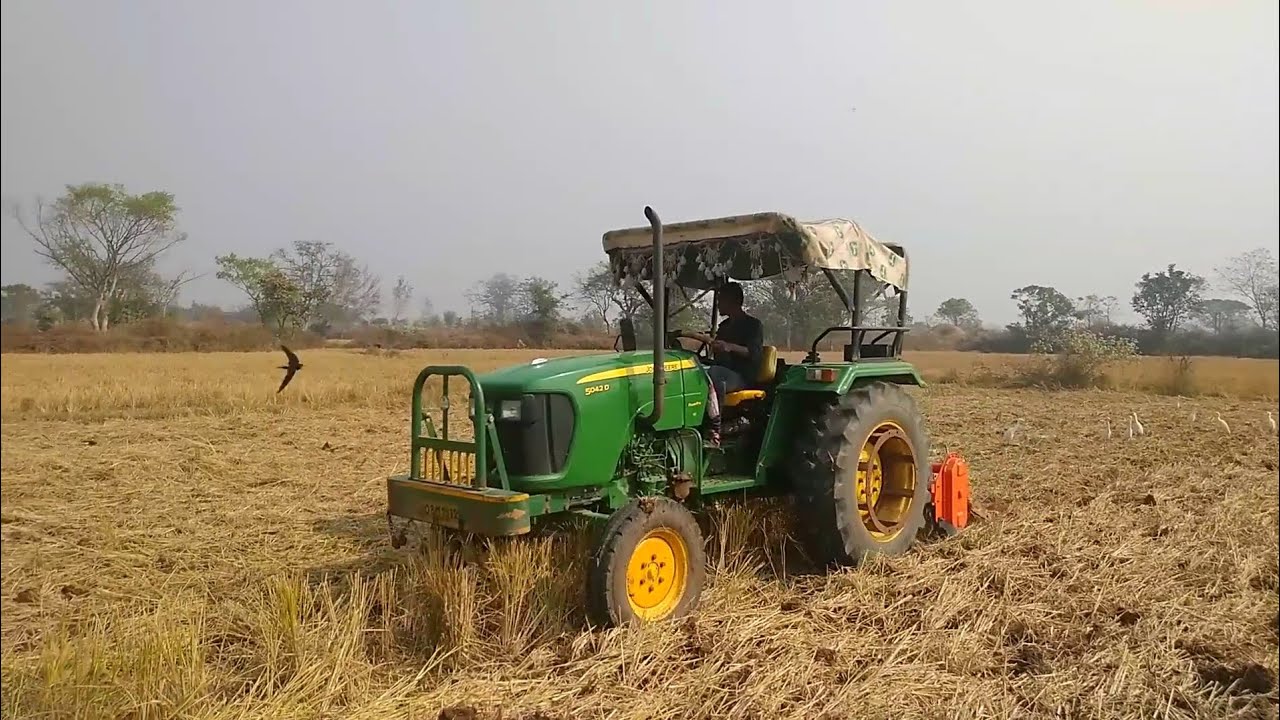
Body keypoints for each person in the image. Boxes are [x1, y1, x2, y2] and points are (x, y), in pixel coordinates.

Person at [677, 281, 764, 446]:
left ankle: (714, 428)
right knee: (697, 370)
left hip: (741, 376)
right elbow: (717, 352)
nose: (717, 305)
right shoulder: (724, 326)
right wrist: (716, 347)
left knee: (715, 374)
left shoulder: (753, 325)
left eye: (720, 301)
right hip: (724, 368)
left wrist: (729, 347)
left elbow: (754, 353)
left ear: (732, 301)